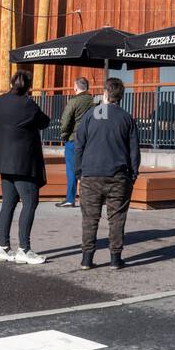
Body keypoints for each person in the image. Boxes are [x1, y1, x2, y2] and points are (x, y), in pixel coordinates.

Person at [75, 77, 140, 270]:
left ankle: (87, 258)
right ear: (121, 96)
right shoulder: (126, 118)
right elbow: (134, 151)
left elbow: (79, 145)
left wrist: (79, 171)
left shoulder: (90, 115)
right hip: (118, 175)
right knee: (117, 218)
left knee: (89, 218)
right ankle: (115, 258)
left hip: (90, 174)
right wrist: (133, 174)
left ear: (104, 93)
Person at [0, 70, 51, 264]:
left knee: (8, 203)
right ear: (29, 86)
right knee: (30, 203)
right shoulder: (27, 104)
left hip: (2, 161)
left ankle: (3, 247)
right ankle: (24, 249)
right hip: (23, 162)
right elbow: (44, 122)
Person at [58, 77, 94, 208]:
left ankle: (70, 198)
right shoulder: (93, 100)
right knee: (88, 169)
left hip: (73, 139)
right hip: (89, 139)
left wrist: (64, 135)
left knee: (72, 169)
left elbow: (65, 120)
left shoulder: (73, 101)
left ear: (76, 87)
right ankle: (89, 198)